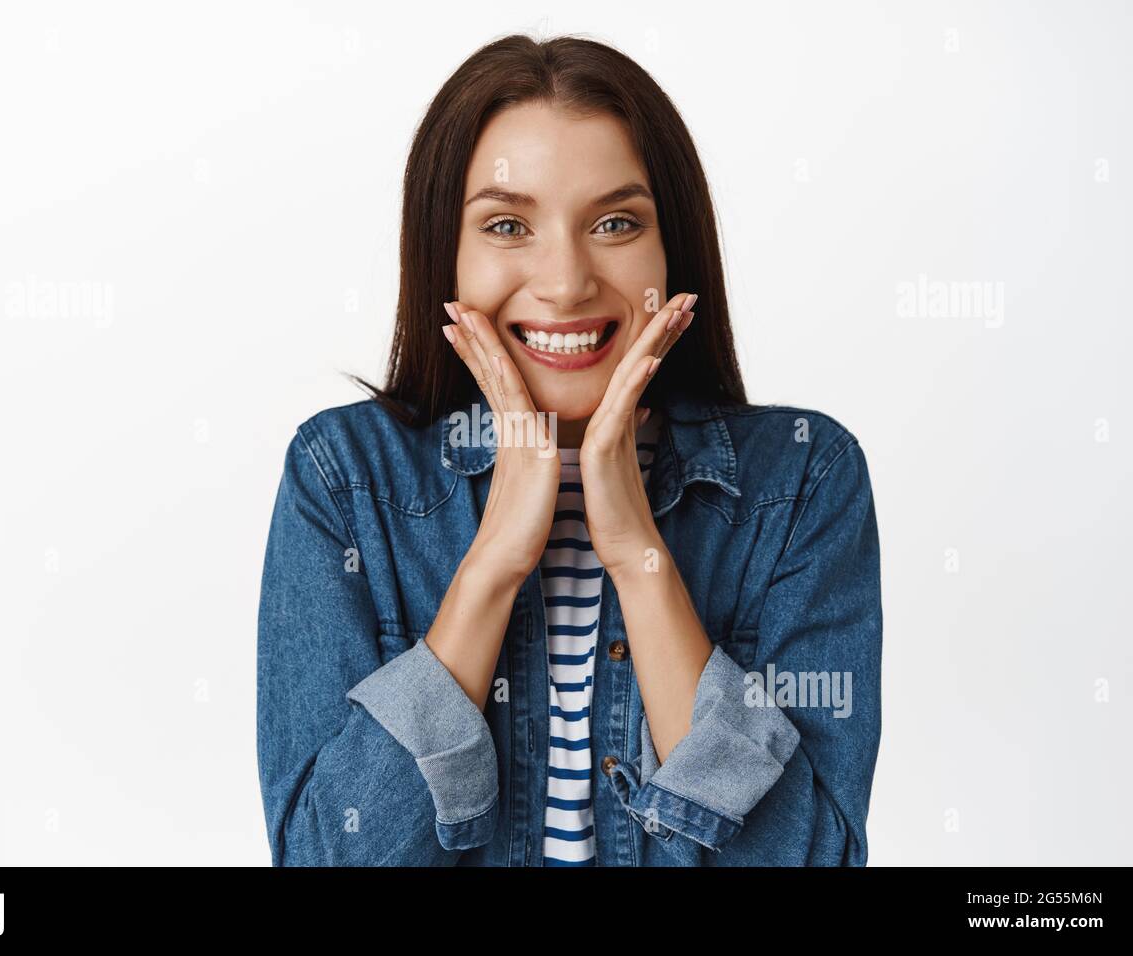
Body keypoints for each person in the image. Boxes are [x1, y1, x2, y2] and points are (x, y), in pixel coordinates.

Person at [257, 33, 882, 866]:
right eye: (508, 225)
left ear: (674, 250)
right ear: (445, 251)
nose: (566, 281)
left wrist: (637, 555)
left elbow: (811, 860)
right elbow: (321, 856)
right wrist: (493, 564)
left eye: (616, 222)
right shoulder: (343, 478)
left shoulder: (802, 479)